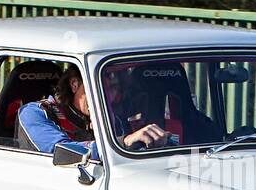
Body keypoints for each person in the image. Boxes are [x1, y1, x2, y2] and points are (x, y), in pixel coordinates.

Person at [15, 64, 170, 156]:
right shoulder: (35, 113)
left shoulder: (111, 118)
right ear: (75, 84)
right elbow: (61, 152)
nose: (106, 96)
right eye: (100, 87)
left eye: (113, 88)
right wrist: (123, 142)